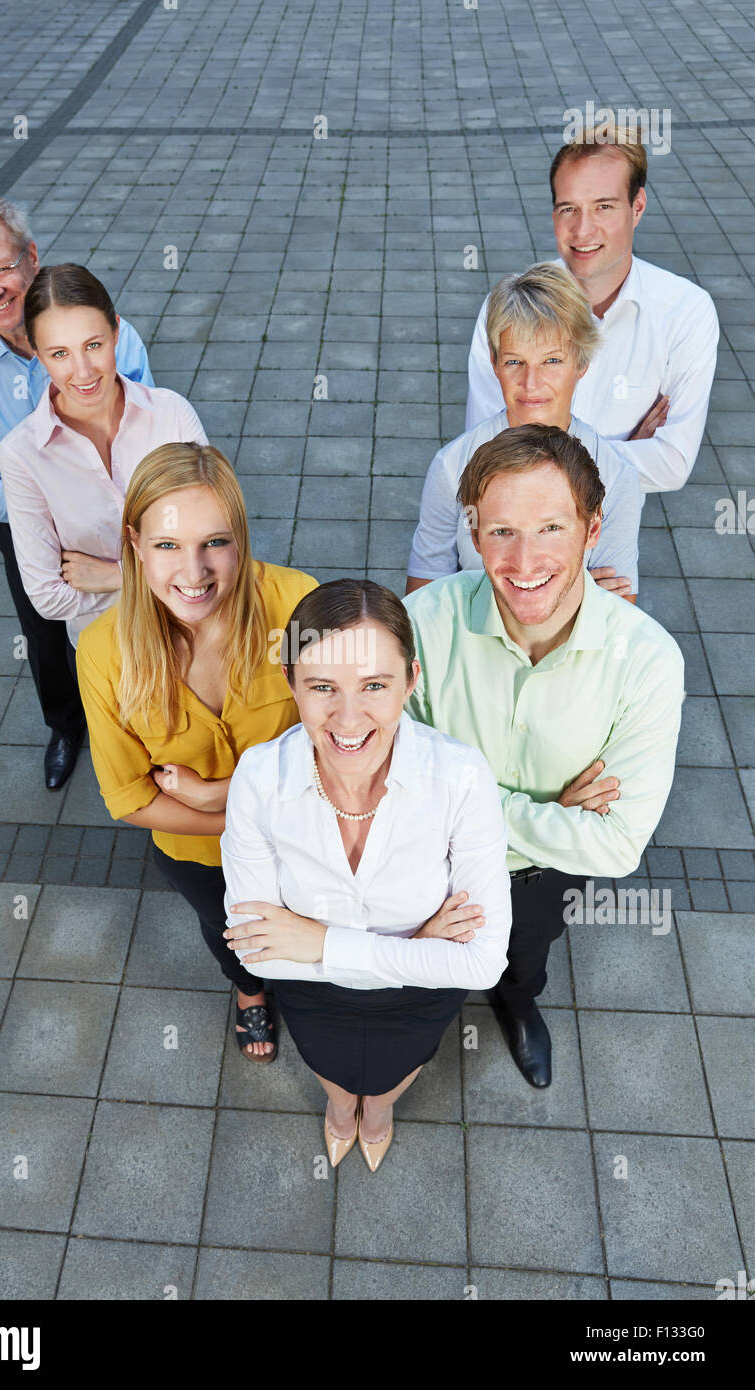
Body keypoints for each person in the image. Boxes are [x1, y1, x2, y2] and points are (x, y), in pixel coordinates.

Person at [404, 425, 684, 1089]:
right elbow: (385, 770)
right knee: (420, 962)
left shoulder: (647, 662)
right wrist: (552, 812)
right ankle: (424, 1018)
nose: (524, 559)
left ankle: (516, 999)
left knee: (524, 956)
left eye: (551, 528)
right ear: (474, 536)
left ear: (592, 531)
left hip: (541, 877)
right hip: (429, 860)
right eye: (501, 531)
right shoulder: (419, 621)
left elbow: (616, 849)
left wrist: (470, 802)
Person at [220, 580, 512, 1171]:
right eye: (322, 687)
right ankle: (338, 1110)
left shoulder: (459, 777)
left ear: (411, 680)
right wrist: (422, 943)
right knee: (329, 1067)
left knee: (394, 1071)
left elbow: (484, 962)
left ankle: (377, 1113)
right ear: (291, 686)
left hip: (412, 999)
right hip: (333, 991)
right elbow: (257, 956)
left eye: (374, 686)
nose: (347, 718)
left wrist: (320, 942)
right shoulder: (259, 777)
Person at [75, 443, 317, 1063]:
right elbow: (131, 801)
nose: (194, 571)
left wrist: (218, 793)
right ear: (133, 544)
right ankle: (249, 990)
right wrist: (233, 816)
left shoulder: (296, 605)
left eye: (215, 542)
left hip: (308, 832)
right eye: (167, 546)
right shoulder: (103, 653)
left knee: (311, 920)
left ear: (240, 537)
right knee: (229, 929)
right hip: (197, 853)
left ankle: (308, 991)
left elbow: (348, 735)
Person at [0, 193, 153, 789]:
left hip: (124, 512)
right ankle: (66, 726)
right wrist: (49, 502)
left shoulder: (111, 335)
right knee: (45, 636)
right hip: (31, 533)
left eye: (1, 268)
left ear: (31, 258)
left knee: (146, 611)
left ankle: (147, 721)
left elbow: (146, 441)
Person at [465, 123, 719, 495]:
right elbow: (486, 450)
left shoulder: (686, 312)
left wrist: (540, 451)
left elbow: (672, 465)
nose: (583, 230)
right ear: (553, 215)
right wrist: (625, 452)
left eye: (603, 206)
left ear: (637, 207)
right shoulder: (507, 306)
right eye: (569, 208)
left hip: (613, 535)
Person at [0, 264, 206, 654]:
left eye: (93, 345)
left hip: (197, 638)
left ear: (116, 332)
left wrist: (115, 576)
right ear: (37, 354)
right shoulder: (22, 454)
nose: (83, 371)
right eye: (59, 353)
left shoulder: (172, 413)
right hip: (107, 654)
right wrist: (176, 573)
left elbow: (218, 545)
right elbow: (47, 597)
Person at [409, 262, 642, 603]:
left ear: (581, 362)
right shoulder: (452, 466)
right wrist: (581, 596)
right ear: (494, 363)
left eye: (551, 361)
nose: (531, 384)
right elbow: (422, 604)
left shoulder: (617, 476)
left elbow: (620, 612)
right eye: (515, 362)